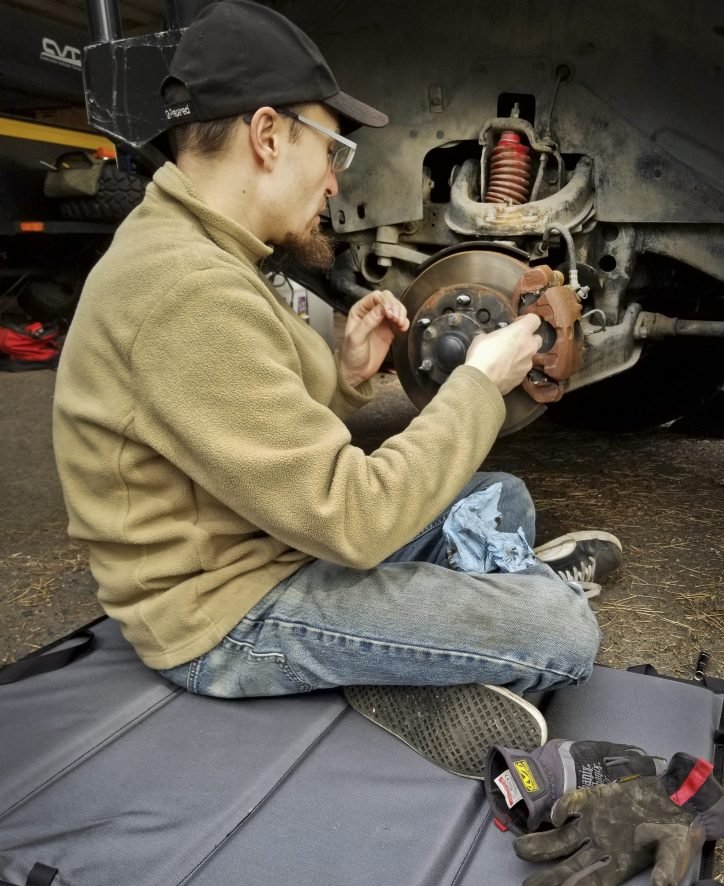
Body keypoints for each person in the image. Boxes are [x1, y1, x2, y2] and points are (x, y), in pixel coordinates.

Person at [52, 0, 621, 779]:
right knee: (563, 631)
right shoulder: (182, 289)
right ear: (266, 135)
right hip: (224, 612)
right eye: (333, 148)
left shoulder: (198, 251)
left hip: (271, 537)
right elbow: (354, 520)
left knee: (502, 496)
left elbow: (240, 437)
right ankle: (410, 659)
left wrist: (349, 378)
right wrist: (481, 385)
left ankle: (455, 614)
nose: (332, 180)